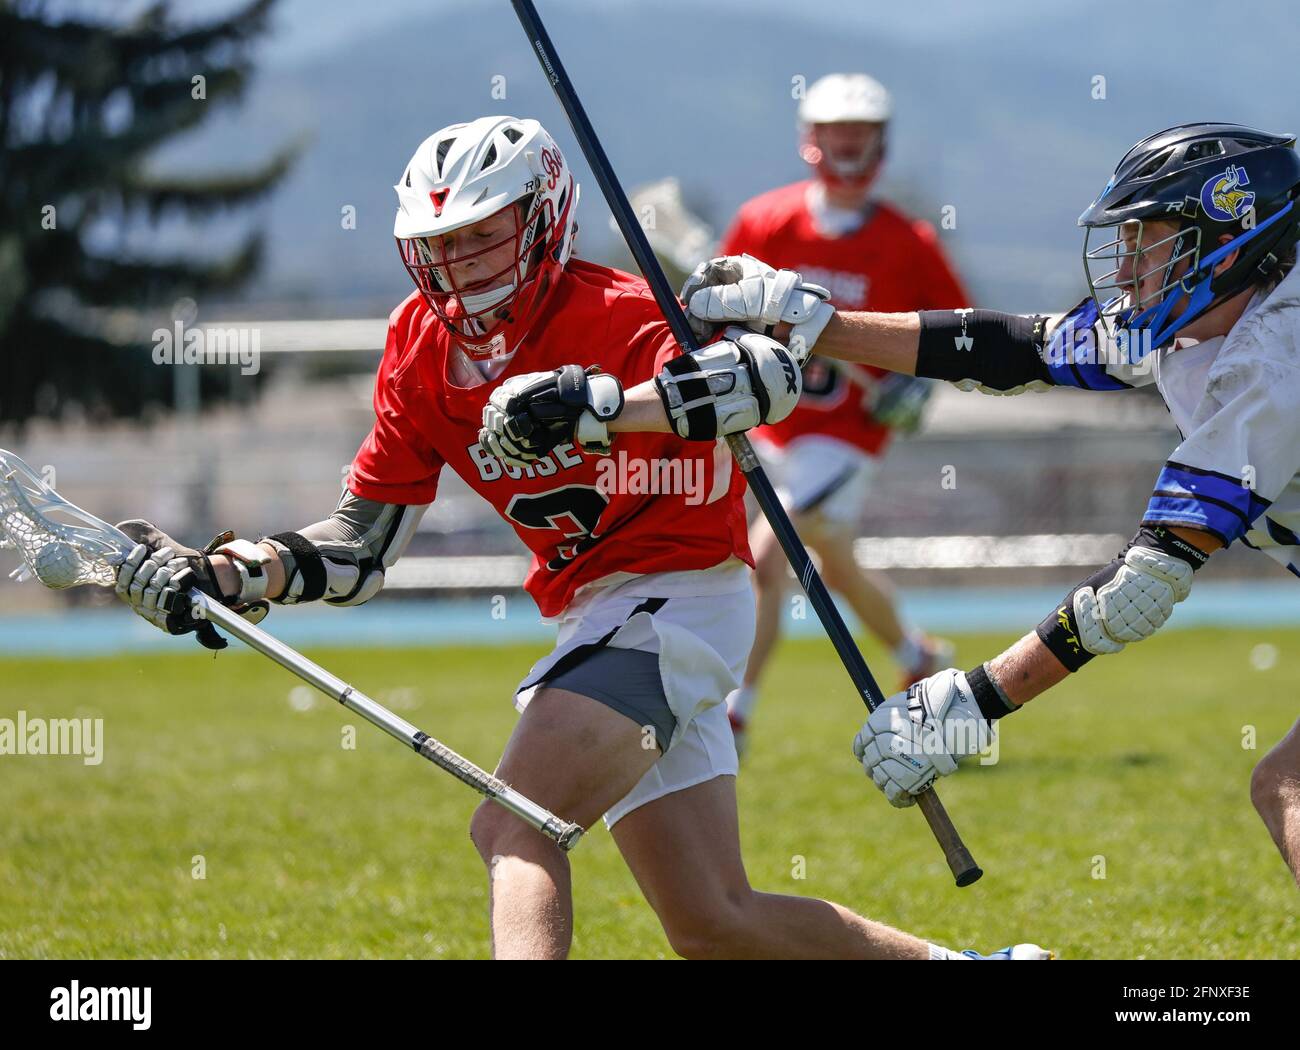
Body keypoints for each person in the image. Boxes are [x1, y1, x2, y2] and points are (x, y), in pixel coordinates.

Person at [111, 115, 1050, 958]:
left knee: (513, 824)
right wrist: (237, 573)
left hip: (680, 595)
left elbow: (766, 381)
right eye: (441, 244)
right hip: (598, 614)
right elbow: (359, 548)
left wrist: (600, 410)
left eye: (484, 235)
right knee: (716, 922)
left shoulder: (617, 312)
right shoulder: (418, 348)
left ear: (543, 220)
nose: (463, 264)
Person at [681, 122, 1300, 889]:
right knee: (1286, 787)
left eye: (1152, 239)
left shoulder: (1273, 362)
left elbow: (1146, 583)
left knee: (1288, 787)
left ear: (1229, 246)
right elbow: (1017, 348)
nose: (1130, 262)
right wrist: (821, 326)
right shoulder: (1205, 319)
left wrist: (972, 703)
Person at [716, 73, 969, 754]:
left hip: (846, 436)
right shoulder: (767, 221)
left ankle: (736, 715)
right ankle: (917, 654)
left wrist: (915, 385)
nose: (849, 148)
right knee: (835, 563)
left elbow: (959, 333)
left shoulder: (907, 241)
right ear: (813, 142)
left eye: (861, 137)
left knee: (768, 559)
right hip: (772, 427)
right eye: (838, 136)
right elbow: (718, 313)